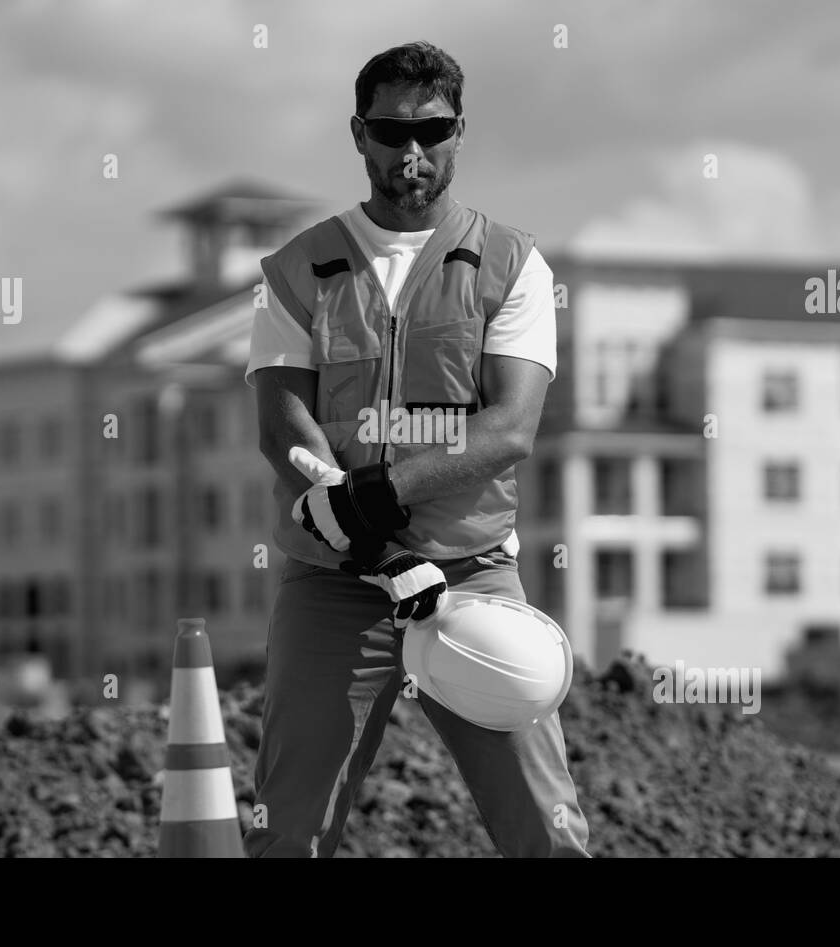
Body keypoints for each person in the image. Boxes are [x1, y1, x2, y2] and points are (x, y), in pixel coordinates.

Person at [243, 40, 590, 858]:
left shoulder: (511, 265)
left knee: (546, 828)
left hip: (472, 576)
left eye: (431, 131)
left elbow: (509, 427)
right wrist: (371, 538)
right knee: (290, 830)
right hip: (335, 582)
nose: (411, 153)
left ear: (459, 131)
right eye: (389, 131)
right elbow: (279, 422)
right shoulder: (298, 269)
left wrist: (378, 499)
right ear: (357, 134)